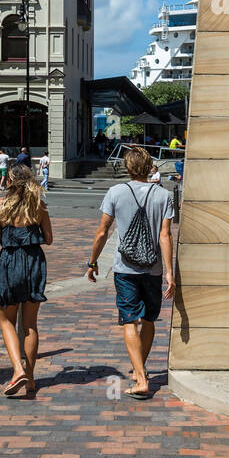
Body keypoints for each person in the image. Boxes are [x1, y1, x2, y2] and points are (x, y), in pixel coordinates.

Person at [87, 145, 174, 400]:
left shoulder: (115, 192)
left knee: (129, 320)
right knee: (148, 320)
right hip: (153, 268)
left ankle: (141, 378)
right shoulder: (162, 195)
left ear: (128, 167)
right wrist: (170, 272)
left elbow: (102, 231)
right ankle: (140, 370)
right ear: (149, 167)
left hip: (125, 268)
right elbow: (165, 235)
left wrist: (92, 262)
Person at [0, 163, 52, 397]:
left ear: (9, 181)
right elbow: (49, 239)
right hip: (34, 262)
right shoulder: (39, 206)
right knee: (30, 324)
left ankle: (17, 369)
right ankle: (31, 377)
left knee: (7, 319)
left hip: (9, 262)